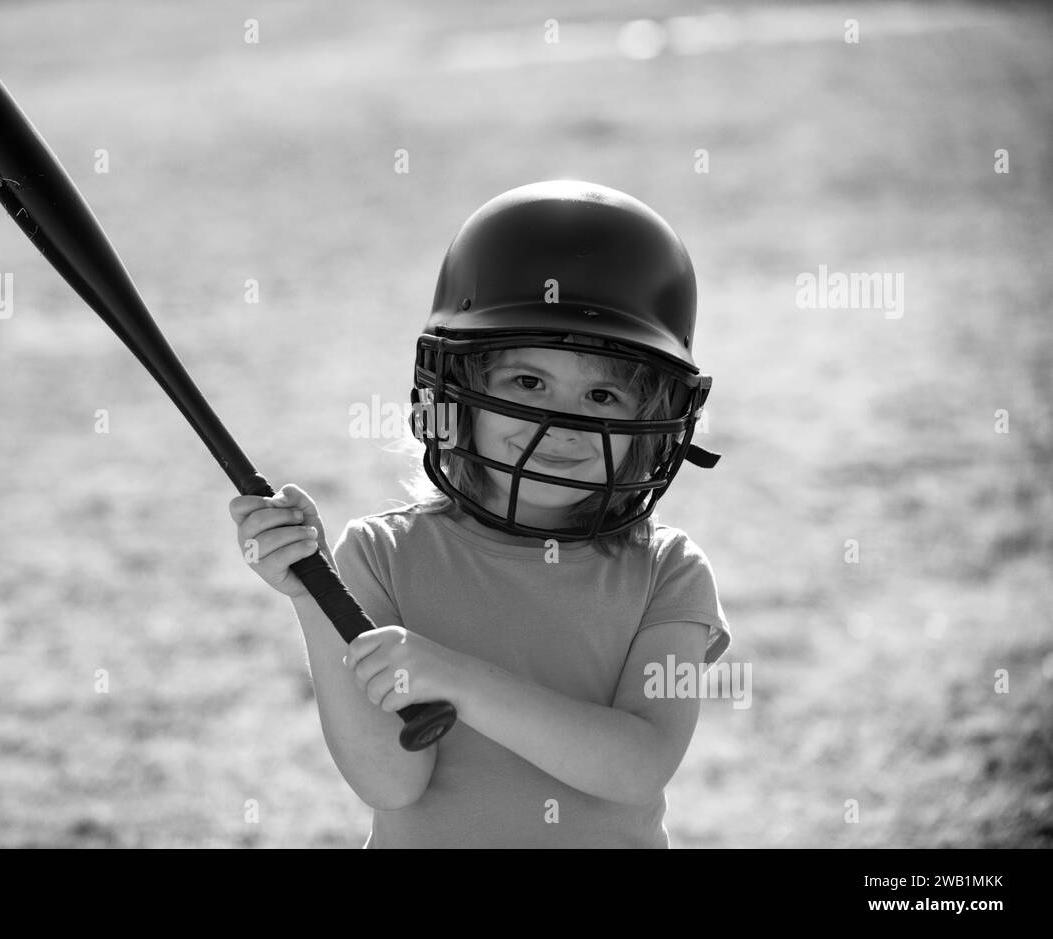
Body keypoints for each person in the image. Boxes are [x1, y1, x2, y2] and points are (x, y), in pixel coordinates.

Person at [229, 180, 730, 847]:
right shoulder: (380, 556)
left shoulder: (668, 573)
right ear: (458, 390)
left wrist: (456, 676)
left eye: (603, 393)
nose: (561, 422)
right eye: (527, 383)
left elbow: (636, 764)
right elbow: (390, 782)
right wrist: (314, 597)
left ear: (655, 421)